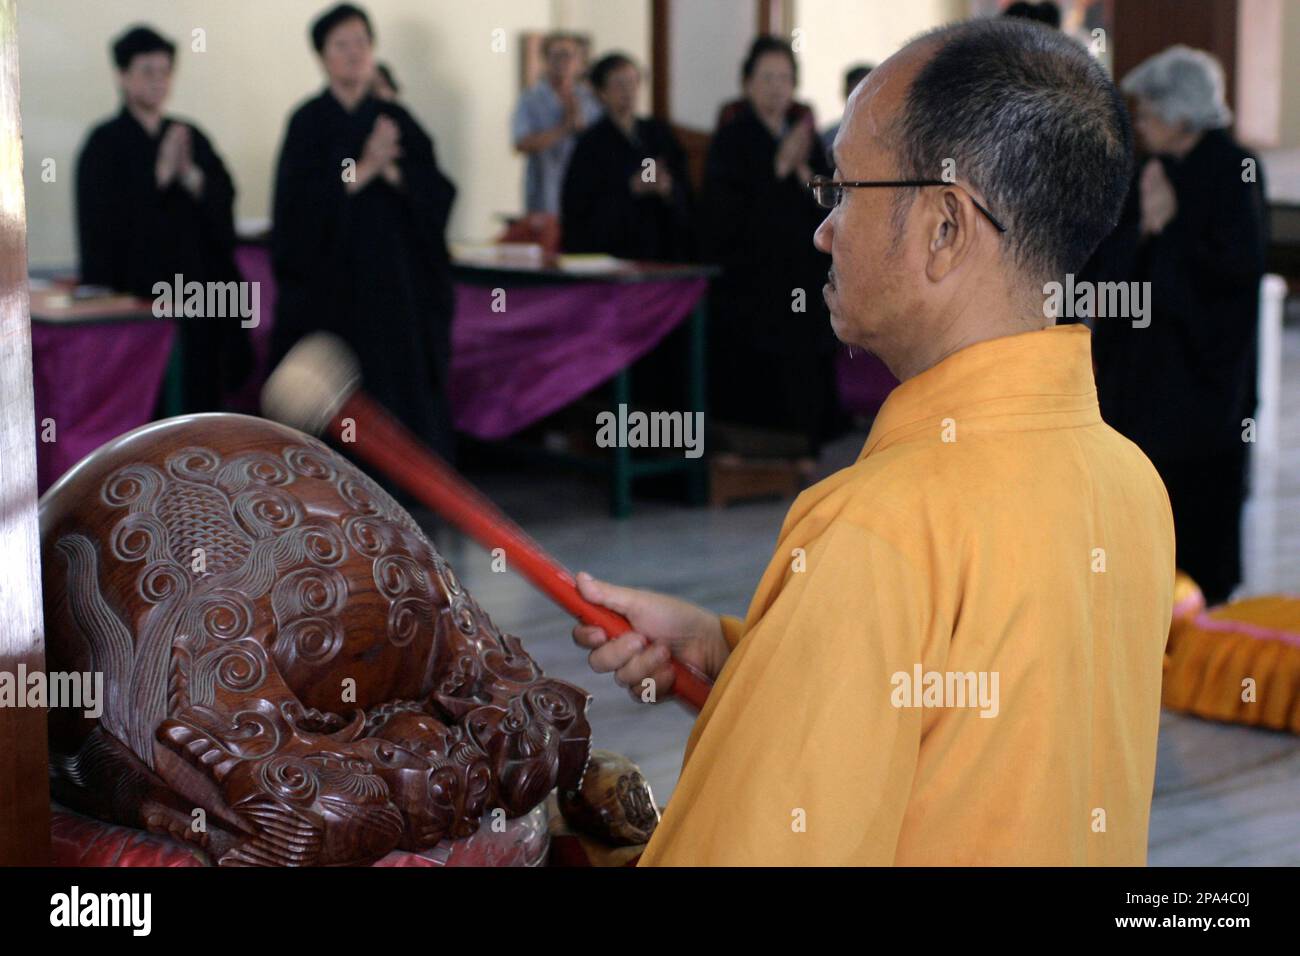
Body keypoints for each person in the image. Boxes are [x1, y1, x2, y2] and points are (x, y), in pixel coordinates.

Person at [573, 19, 1175, 865]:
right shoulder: (1132, 481)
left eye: (844, 190)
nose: (823, 230)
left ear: (945, 227)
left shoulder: (878, 529)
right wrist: (740, 655)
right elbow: (972, 739)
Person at [1088, 47, 1267, 606]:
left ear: (1180, 113)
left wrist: (1170, 229)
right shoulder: (1145, 169)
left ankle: (1200, 612)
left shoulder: (1234, 169)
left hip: (1203, 377)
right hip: (1139, 376)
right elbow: (1108, 264)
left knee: (1199, 509)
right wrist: (1147, 231)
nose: (1139, 123)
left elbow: (1233, 274)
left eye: (1147, 112)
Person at [270, 3, 458, 462]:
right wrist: (365, 168)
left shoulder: (396, 120)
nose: (354, 53)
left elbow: (438, 192)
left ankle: (399, 487)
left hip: (396, 289)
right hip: (331, 293)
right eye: (341, 45)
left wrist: (394, 173)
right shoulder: (308, 122)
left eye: (361, 43)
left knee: (400, 390)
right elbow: (295, 211)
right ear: (322, 57)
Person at [76, 24, 249, 413]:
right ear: (122, 76)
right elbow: (102, 228)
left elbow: (223, 205)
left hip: (199, 300)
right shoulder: (103, 145)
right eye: (147, 71)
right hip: (139, 308)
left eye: (165, 71)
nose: (158, 80)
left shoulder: (190, 136)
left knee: (201, 404)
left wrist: (190, 176)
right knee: (147, 412)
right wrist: (159, 176)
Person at [701, 35, 844, 462]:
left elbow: (826, 202)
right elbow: (720, 217)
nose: (776, 87)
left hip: (801, 274)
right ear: (747, 84)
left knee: (805, 361)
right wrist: (777, 168)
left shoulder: (805, 137)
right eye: (766, 78)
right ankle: (750, 459)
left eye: (784, 78)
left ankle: (803, 454)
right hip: (751, 279)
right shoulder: (732, 139)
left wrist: (799, 168)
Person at [560, 53, 692, 262]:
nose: (628, 91)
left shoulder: (656, 134)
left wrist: (668, 190)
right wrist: (631, 188)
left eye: (633, 82)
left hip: (658, 248)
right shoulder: (591, 144)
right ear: (601, 92)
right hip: (613, 252)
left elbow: (682, 187)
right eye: (619, 84)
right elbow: (580, 208)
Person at [512, 32, 602, 216]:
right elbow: (521, 143)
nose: (563, 62)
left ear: (579, 61)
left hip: (586, 191)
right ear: (545, 59)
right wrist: (564, 128)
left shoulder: (590, 99)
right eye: (557, 55)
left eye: (569, 55)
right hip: (545, 192)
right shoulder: (531, 99)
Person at [822, 63, 872, 155]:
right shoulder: (828, 138)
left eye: (868, 93)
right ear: (845, 94)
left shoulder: (893, 135)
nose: (862, 102)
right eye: (856, 95)